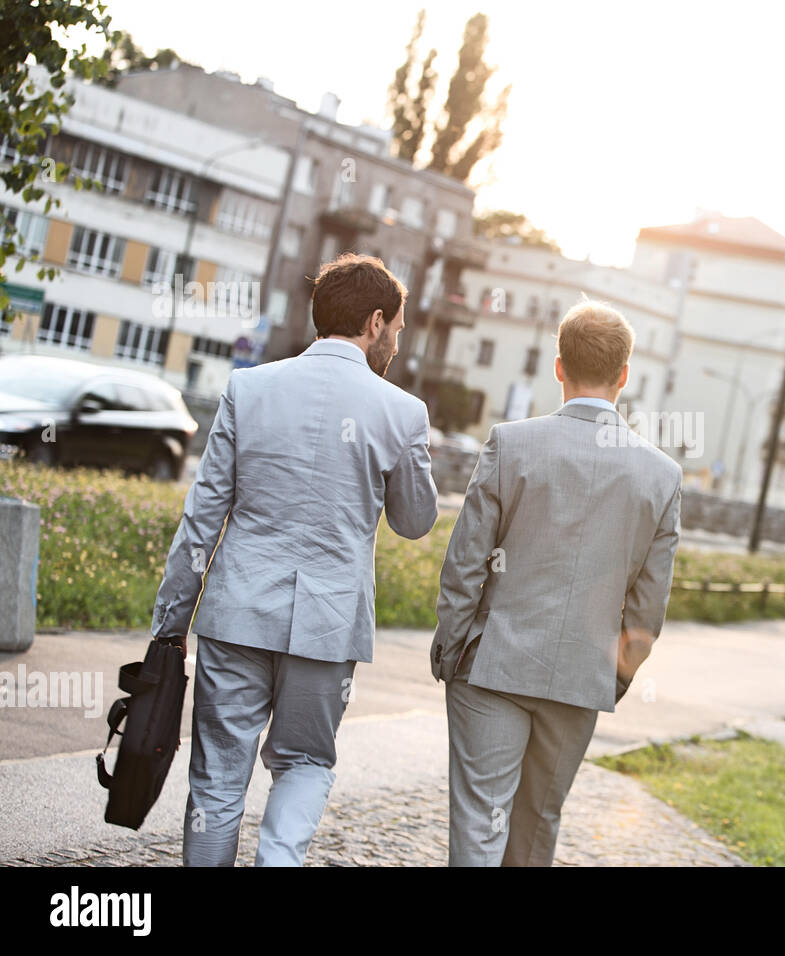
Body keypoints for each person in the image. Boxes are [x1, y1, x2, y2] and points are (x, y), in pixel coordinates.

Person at [151, 253, 439, 866]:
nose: (398, 340)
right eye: (397, 328)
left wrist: (171, 622)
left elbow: (202, 518)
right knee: (305, 763)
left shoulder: (248, 388)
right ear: (375, 321)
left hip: (235, 614)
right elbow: (415, 523)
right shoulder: (402, 411)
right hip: (328, 629)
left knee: (219, 775)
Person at [432, 300, 683, 866]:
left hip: (491, 664)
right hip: (581, 675)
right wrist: (617, 673)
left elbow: (466, 561)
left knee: (480, 818)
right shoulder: (661, 476)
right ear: (624, 375)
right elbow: (649, 605)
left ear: (558, 366)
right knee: (539, 823)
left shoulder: (510, 443)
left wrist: (452, 646)